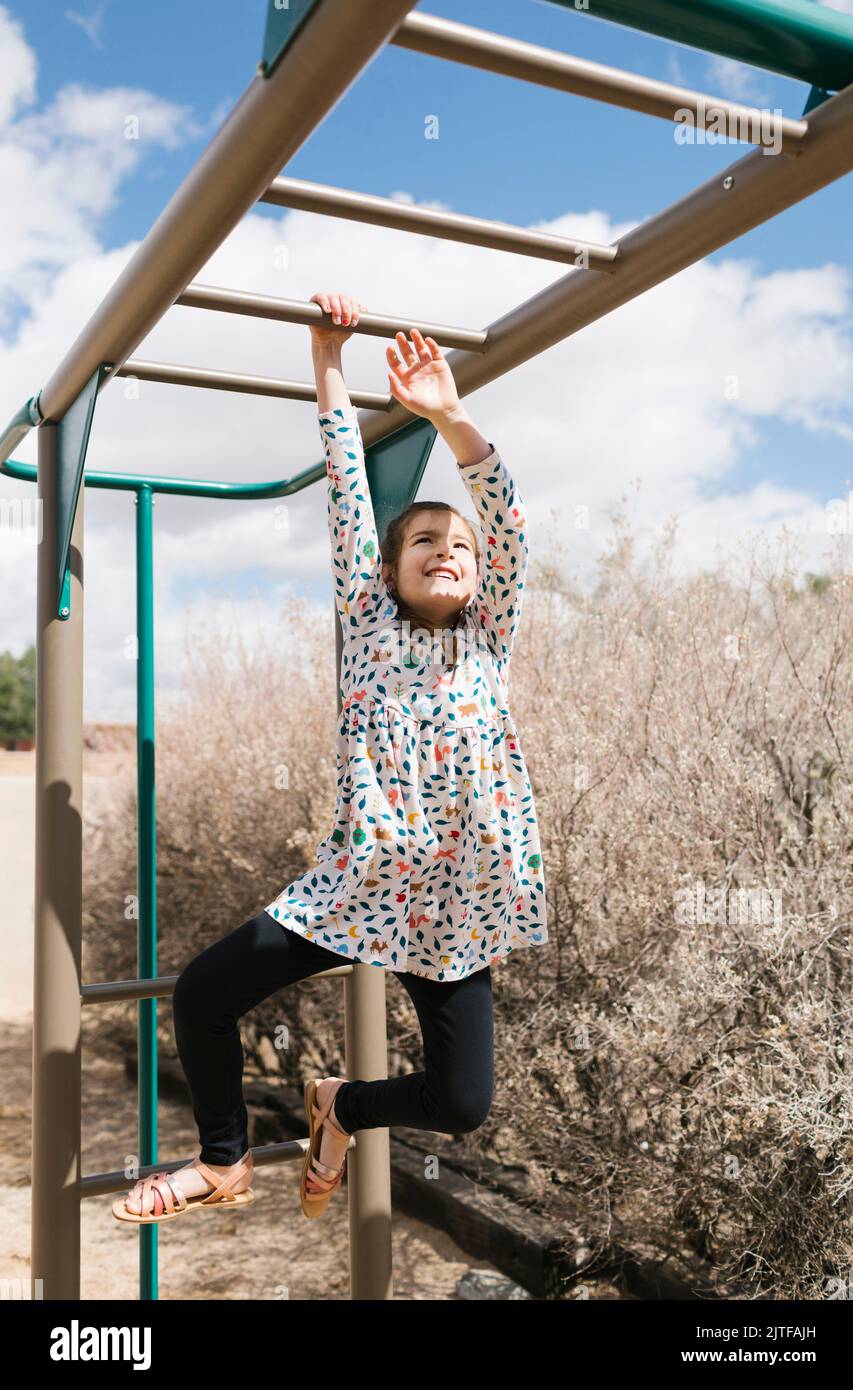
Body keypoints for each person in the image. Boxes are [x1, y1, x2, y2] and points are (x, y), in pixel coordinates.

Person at [113, 291, 547, 1225]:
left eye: (460, 546)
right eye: (425, 541)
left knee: (463, 1101)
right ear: (387, 572)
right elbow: (350, 490)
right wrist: (327, 360)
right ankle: (223, 1161)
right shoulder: (367, 625)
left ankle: (338, 1105)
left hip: (456, 902)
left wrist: (449, 415)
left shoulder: (488, 640)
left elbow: (507, 524)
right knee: (202, 993)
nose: (449, 550)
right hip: (361, 881)